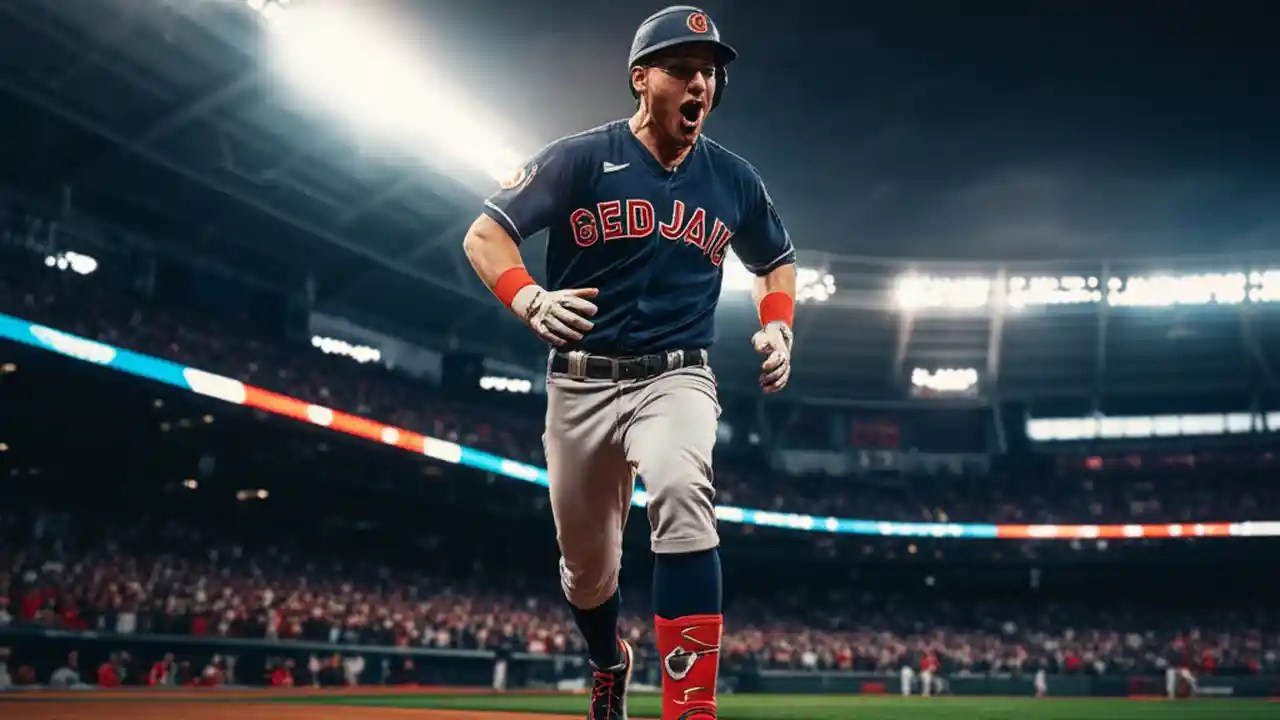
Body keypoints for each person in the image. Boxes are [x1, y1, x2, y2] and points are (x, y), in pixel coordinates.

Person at [462, 6, 797, 718]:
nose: (700, 83)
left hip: (676, 375)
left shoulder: (733, 179)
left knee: (680, 490)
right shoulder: (581, 157)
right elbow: (485, 236)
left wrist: (779, 327)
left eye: (709, 72)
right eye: (682, 70)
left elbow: (777, 261)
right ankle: (609, 659)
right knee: (588, 573)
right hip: (579, 384)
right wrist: (528, 300)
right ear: (642, 79)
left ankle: (688, 708)